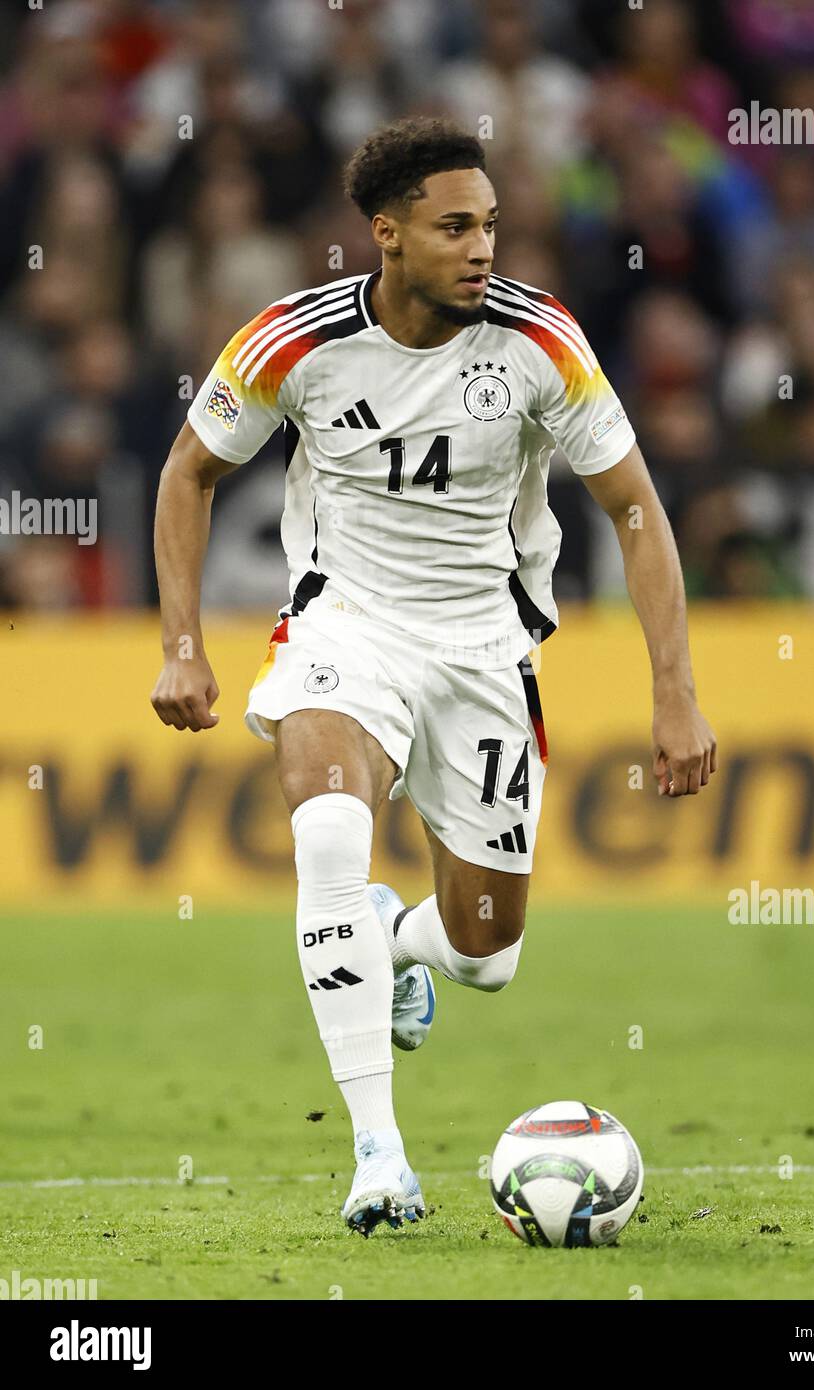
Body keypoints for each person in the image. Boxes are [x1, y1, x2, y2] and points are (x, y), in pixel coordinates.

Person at [150, 117, 717, 1237]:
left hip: (482, 651)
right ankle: (377, 1158)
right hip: (343, 628)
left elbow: (635, 511)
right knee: (322, 834)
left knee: (484, 954)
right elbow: (188, 471)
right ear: (387, 234)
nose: (481, 248)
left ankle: (392, 937)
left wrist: (675, 689)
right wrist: (180, 642)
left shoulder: (539, 342)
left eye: (491, 225)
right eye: (455, 226)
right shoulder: (292, 342)